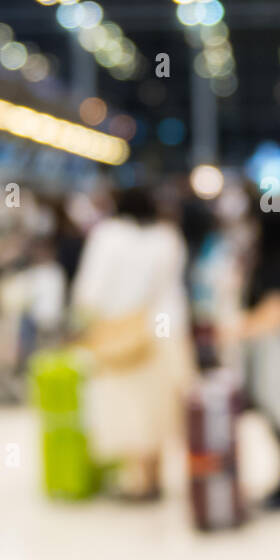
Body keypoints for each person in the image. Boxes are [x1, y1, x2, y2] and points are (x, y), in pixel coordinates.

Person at [70, 187, 193, 501]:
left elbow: (90, 291)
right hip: (166, 332)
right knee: (160, 407)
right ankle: (155, 475)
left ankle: (136, 481)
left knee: (127, 407)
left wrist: (81, 325)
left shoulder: (108, 236)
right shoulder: (168, 237)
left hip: (122, 334)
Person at [227, 207, 280, 509]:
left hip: (274, 350)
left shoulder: (277, 265)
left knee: (277, 415)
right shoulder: (274, 261)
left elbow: (278, 309)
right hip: (265, 348)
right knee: (272, 417)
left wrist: (239, 329)